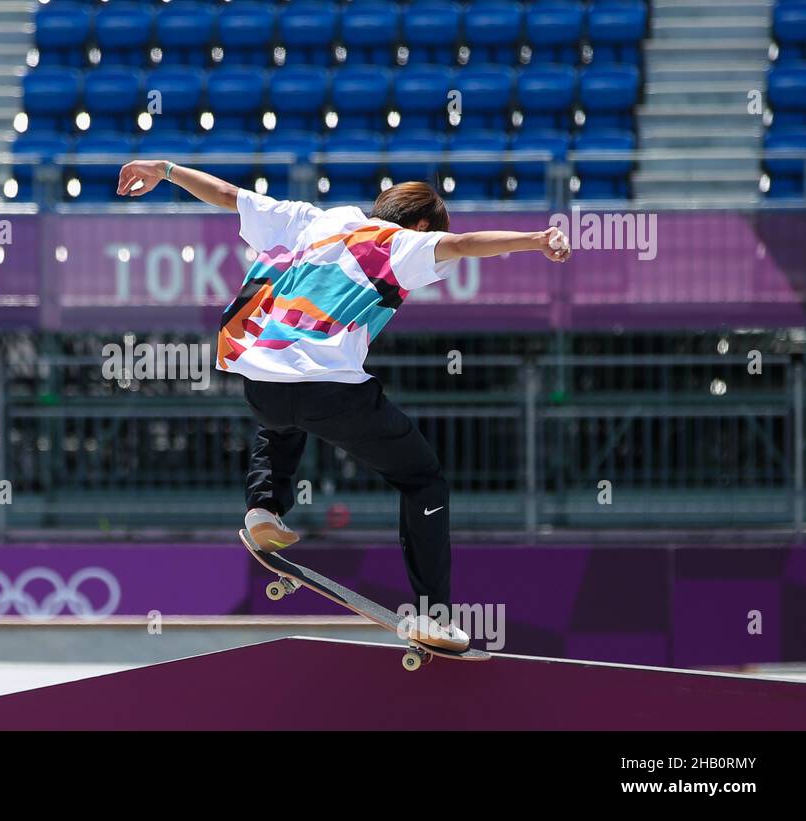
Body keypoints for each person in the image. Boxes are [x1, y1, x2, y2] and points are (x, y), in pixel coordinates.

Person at [115, 160, 570, 651]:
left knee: (283, 419)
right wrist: (536, 239)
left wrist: (165, 169)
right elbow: (461, 245)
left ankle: (264, 509)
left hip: (260, 382)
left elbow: (228, 195)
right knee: (422, 478)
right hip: (333, 392)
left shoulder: (312, 219)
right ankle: (433, 613)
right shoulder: (398, 243)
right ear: (420, 224)